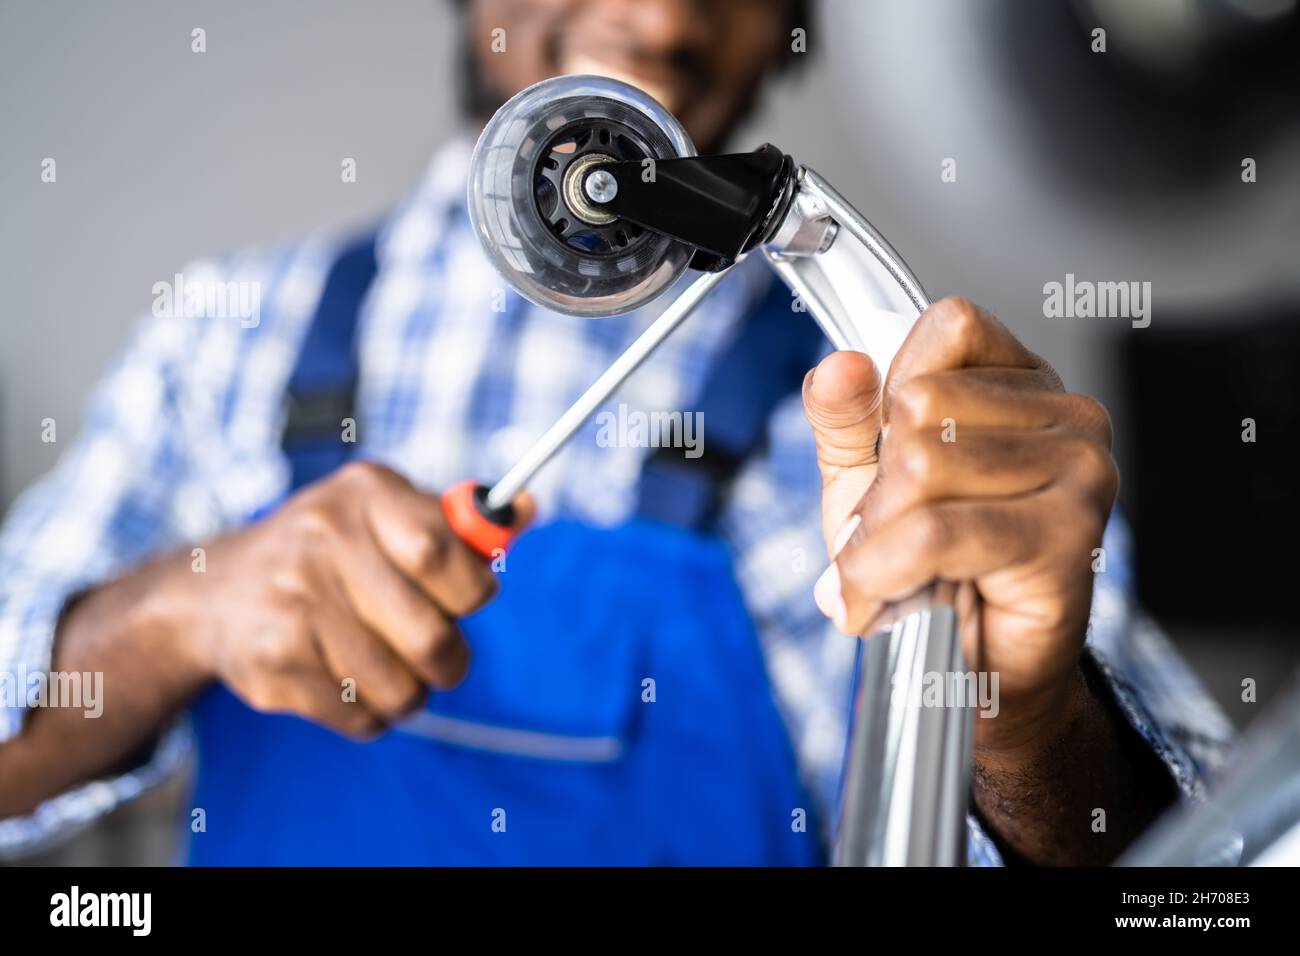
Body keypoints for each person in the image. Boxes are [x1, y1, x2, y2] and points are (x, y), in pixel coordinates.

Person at [0, 0, 1230, 865]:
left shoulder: (917, 415)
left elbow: (1179, 889)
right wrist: (176, 614)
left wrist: (1029, 720)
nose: (658, 18)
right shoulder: (229, 340)